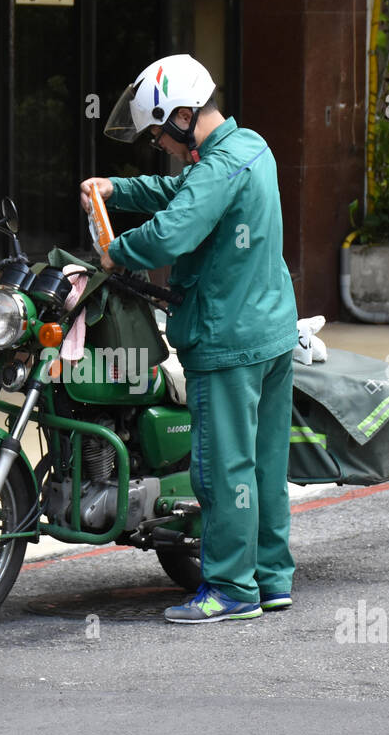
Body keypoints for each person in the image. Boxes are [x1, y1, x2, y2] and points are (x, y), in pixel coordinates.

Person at [80, 54, 299, 623]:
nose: (160, 145)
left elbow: (171, 232)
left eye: (158, 133)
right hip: (272, 333)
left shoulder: (214, 169)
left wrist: (114, 252)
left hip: (227, 340)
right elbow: (183, 190)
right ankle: (272, 579)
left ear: (181, 115)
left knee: (222, 469)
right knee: (265, 467)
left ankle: (228, 590)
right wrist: (118, 189)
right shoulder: (250, 147)